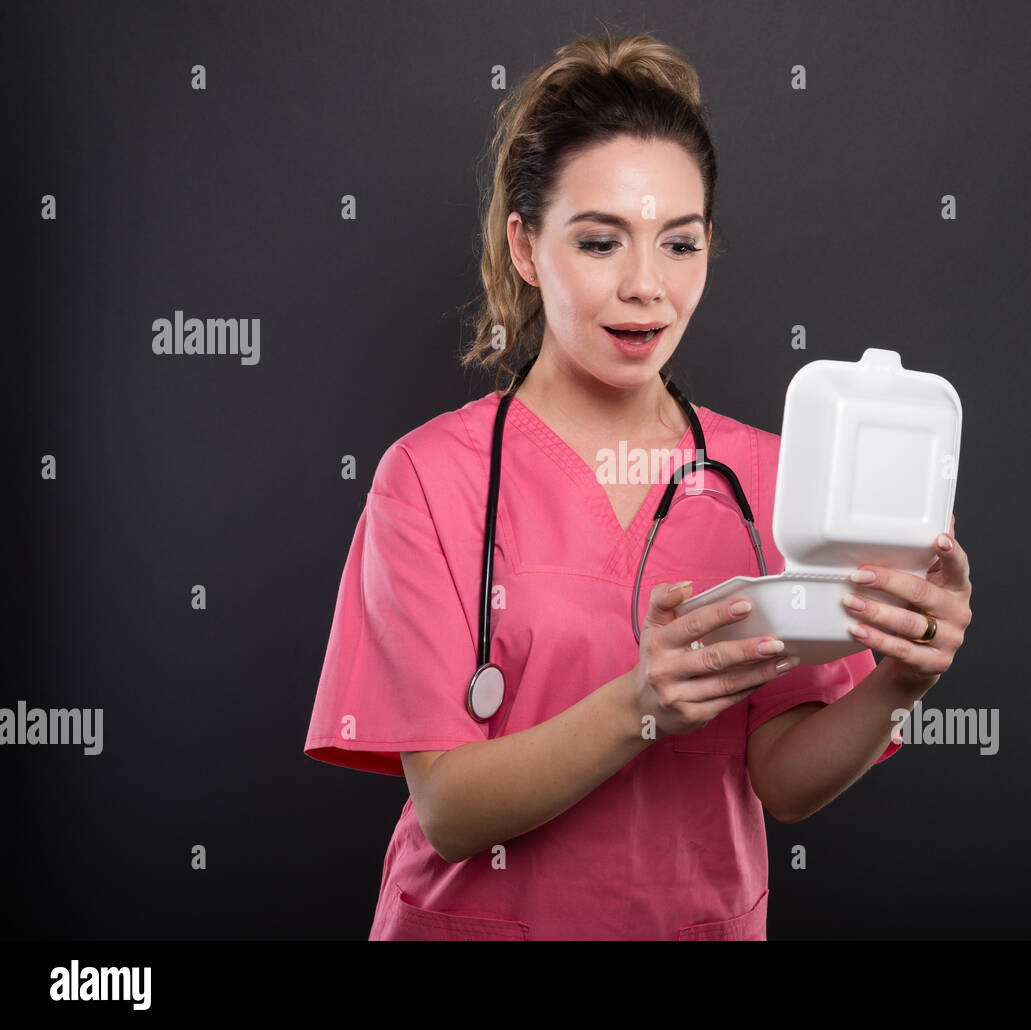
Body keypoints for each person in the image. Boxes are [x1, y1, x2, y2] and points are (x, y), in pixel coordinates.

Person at [303, 31, 973, 941]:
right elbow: (451, 810)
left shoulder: (768, 480)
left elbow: (783, 782)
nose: (646, 287)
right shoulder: (427, 479)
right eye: (599, 241)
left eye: (680, 244)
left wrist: (899, 680)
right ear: (526, 248)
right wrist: (643, 706)